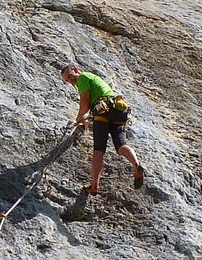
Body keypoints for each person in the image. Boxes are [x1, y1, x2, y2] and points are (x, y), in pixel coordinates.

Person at [60, 64, 145, 195]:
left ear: (75, 70)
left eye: (70, 76)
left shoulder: (82, 77)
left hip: (103, 110)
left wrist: (79, 118)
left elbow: (85, 101)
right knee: (121, 145)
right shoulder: (94, 79)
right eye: (67, 80)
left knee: (98, 150)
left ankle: (94, 185)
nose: (71, 81)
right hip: (119, 110)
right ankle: (136, 165)